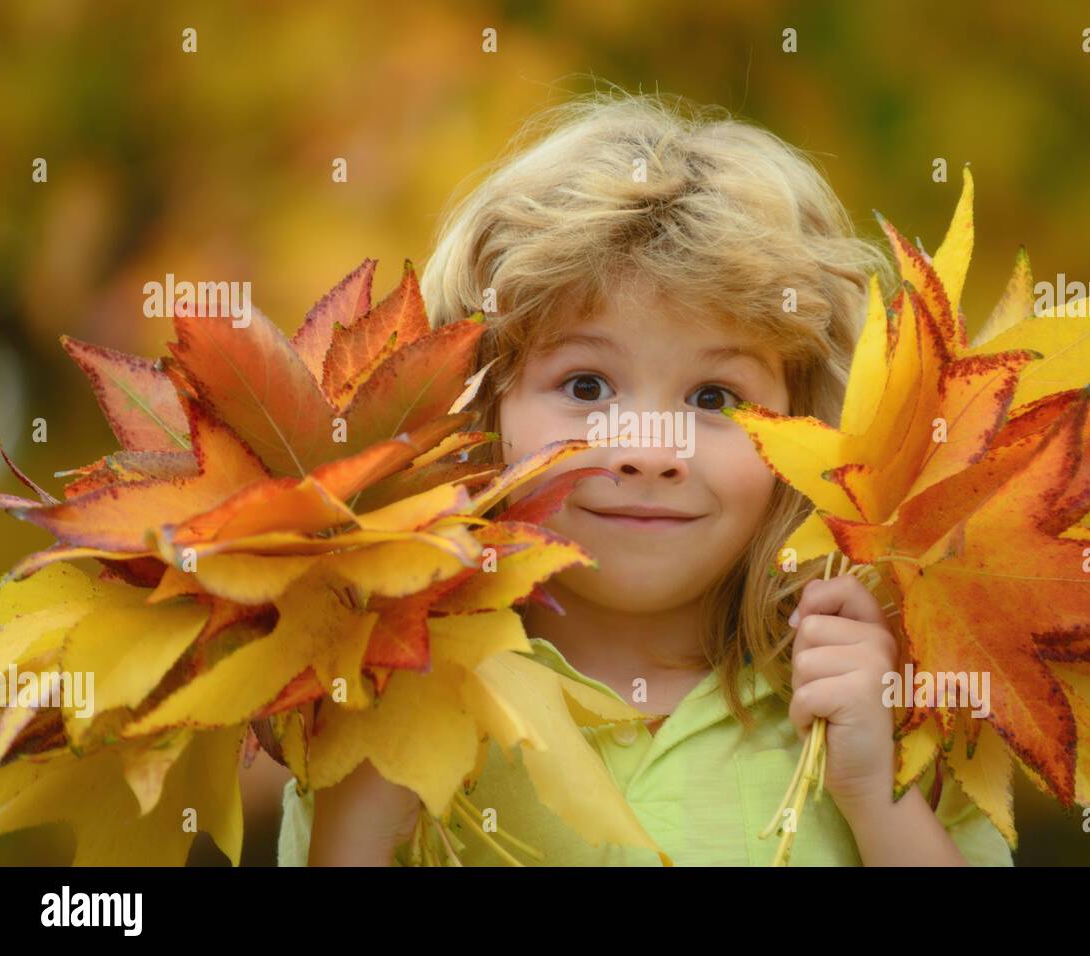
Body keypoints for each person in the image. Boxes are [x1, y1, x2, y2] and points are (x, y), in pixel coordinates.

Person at [278, 86, 1014, 867]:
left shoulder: (890, 697)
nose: (649, 448)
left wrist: (875, 794)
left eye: (714, 397)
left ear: (812, 431)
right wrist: (370, 796)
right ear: (479, 407)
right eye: (587, 385)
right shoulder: (389, 699)